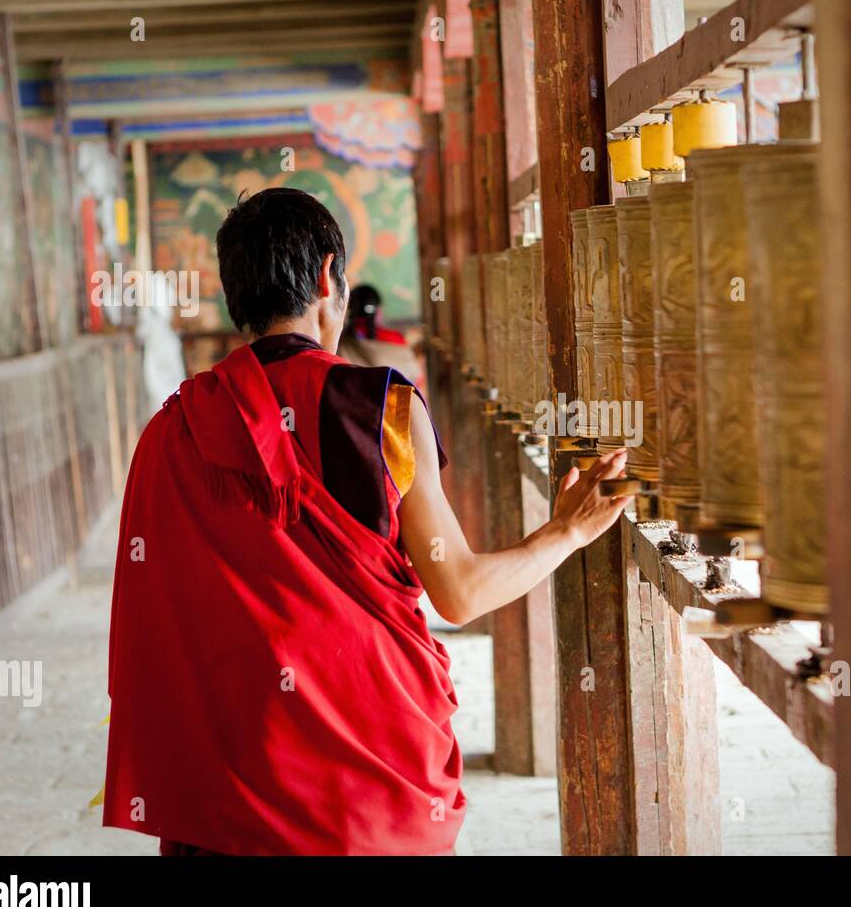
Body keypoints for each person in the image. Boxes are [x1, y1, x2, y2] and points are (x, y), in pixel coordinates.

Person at [103, 187, 629, 855]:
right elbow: (459, 592)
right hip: (364, 796)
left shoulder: (171, 431)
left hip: (225, 800)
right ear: (329, 276)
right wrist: (568, 531)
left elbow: (156, 623)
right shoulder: (383, 410)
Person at [338, 283, 423, 387]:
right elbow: (413, 373)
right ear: (378, 311)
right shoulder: (394, 338)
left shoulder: (339, 340)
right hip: (390, 401)